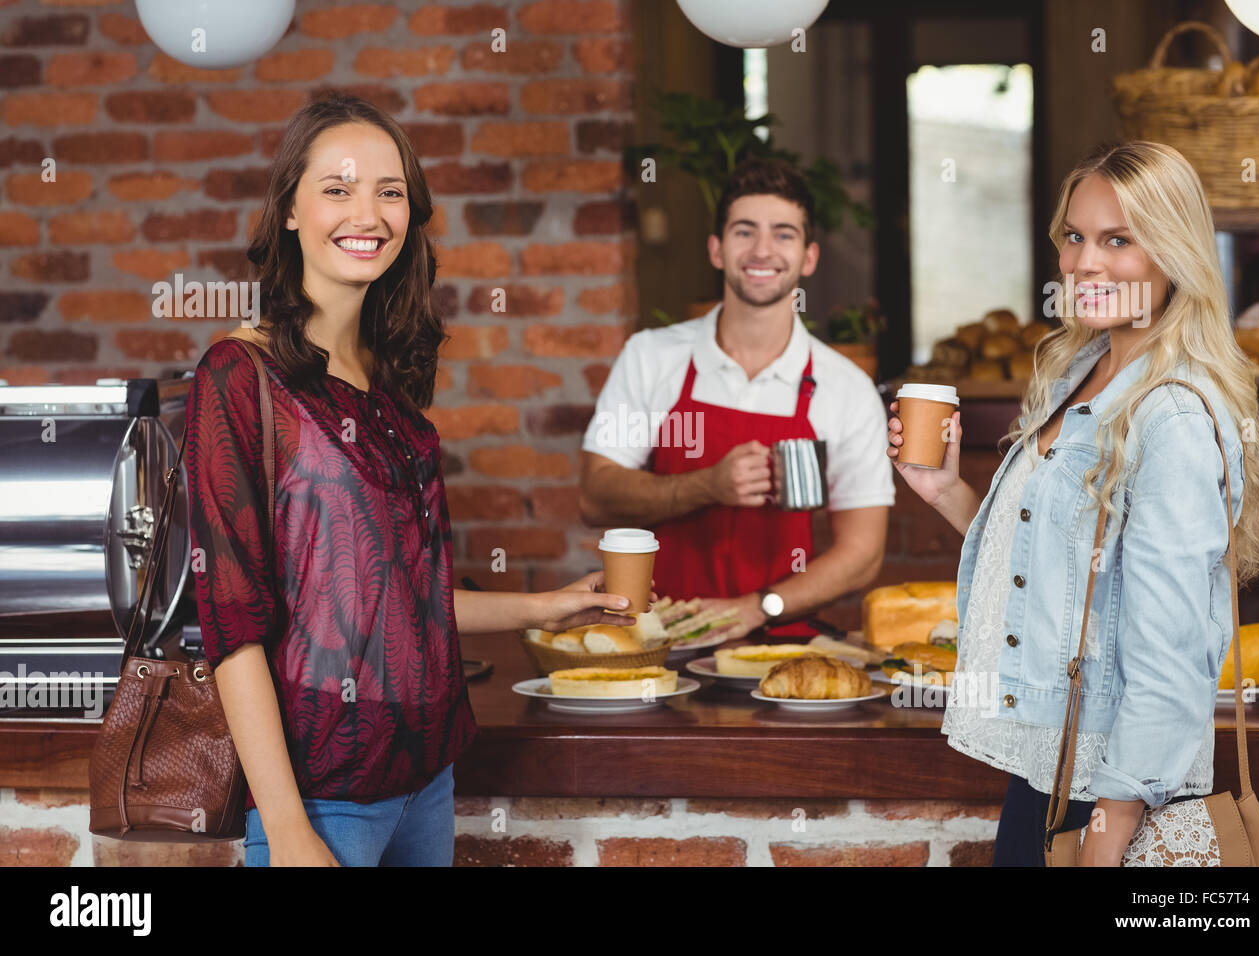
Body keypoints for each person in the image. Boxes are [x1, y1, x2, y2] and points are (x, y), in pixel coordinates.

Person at [185, 92, 645, 867]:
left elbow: (398, 594)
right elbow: (235, 631)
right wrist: (290, 830)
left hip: (427, 780)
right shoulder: (240, 376)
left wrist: (544, 607)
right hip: (324, 795)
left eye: (389, 191)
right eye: (337, 188)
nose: (368, 212)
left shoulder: (386, 381)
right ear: (289, 211)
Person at [888, 141, 1259, 866]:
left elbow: (1172, 651)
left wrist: (1112, 821)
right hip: (1049, 772)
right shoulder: (1080, 368)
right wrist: (947, 492)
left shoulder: (1170, 416)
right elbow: (1058, 563)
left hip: (1108, 787)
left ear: (1172, 254)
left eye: (1119, 240)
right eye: (1075, 237)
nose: (1086, 262)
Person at [579, 159, 894, 639]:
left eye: (783, 234)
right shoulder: (651, 357)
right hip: (656, 640)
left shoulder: (845, 388)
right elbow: (594, 497)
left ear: (808, 257)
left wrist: (758, 607)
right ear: (716, 249)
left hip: (778, 653)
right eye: (744, 231)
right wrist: (705, 485)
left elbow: (863, 552)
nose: (762, 250)